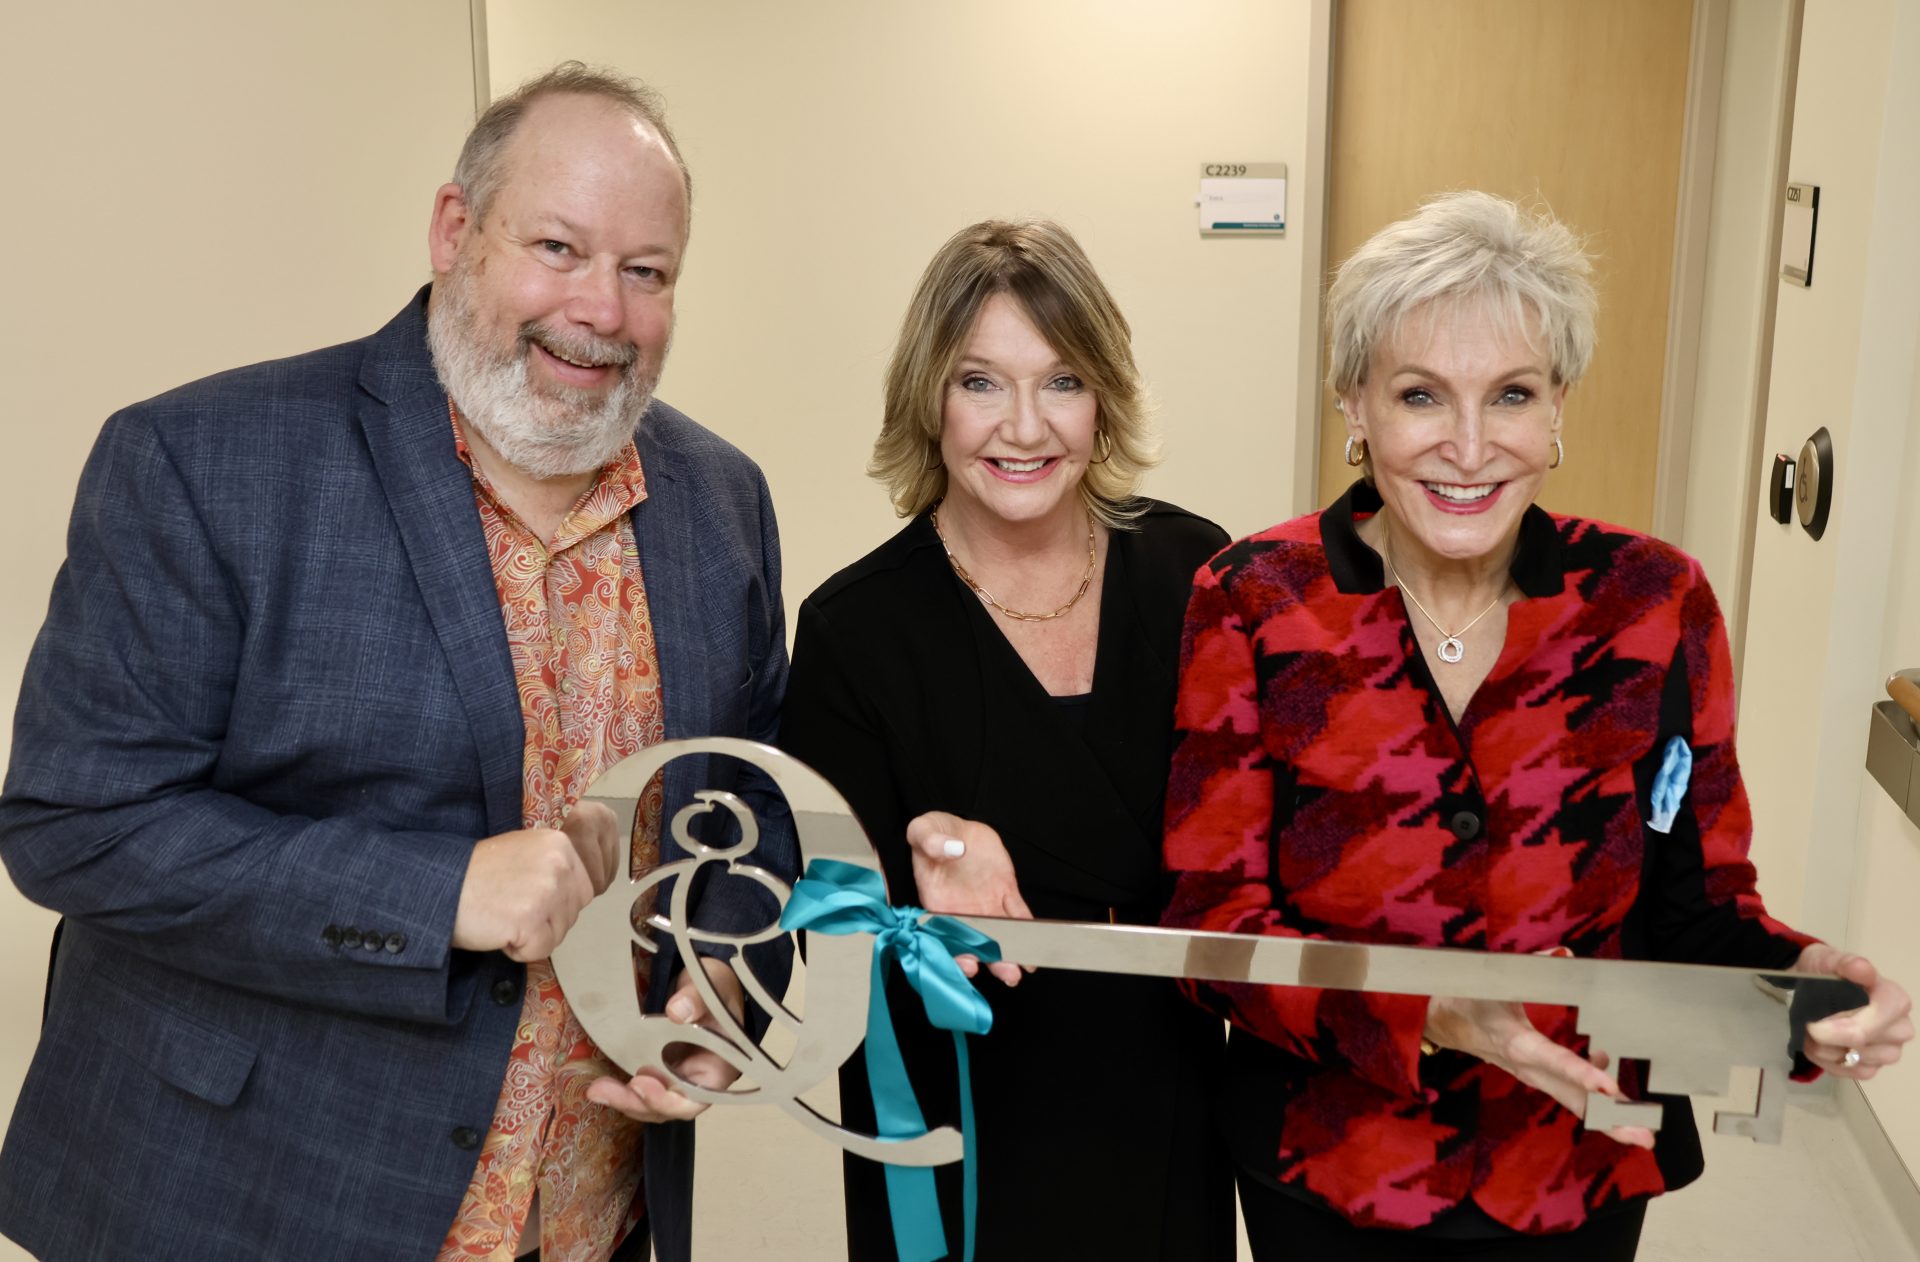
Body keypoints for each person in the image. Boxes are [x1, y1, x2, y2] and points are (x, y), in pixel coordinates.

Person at [0, 63, 792, 1262]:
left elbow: (749, 805)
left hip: (591, 1216)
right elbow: (78, 821)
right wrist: (439, 894)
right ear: (454, 231)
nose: (601, 310)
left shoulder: (723, 501)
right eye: (559, 247)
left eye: (646, 271)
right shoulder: (202, 459)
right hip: (250, 1209)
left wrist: (722, 983)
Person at [1161, 190, 1913, 1260]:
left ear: (1558, 404)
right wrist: (1435, 1013)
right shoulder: (1255, 598)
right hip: (1329, 1166)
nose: (1469, 447)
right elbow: (1211, 931)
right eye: (1421, 394)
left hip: (1577, 1163)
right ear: (1354, 405)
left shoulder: (1653, 602)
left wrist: (1809, 985)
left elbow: (1698, 910)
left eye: (1510, 394)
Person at [779, 219, 1235, 1260]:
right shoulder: (856, 625)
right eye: (981, 381)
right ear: (928, 399)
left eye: (1062, 380)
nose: (1024, 425)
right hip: (965, 1100)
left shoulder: (1195, 567)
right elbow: (827, 919)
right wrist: (916, 860)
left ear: (1104, 398)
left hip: (1164, 1081)